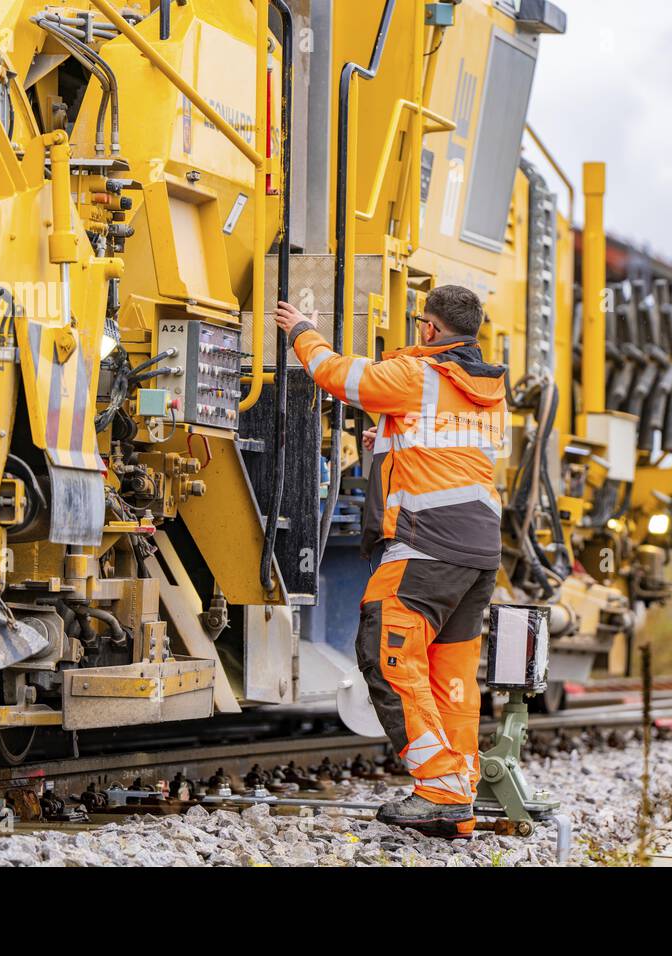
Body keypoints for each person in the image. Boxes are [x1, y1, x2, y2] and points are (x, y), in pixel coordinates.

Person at [273, 286, 506, 839]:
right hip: (479, 553)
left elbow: (339, 376)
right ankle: (459, 797)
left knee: (388, 656)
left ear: (429, 329)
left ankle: (437, 784)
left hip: (427, 546)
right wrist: (390, 439)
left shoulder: (417, 377)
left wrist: (301, 328)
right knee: (452, 679)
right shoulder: (489, 391)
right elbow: (445, 450)